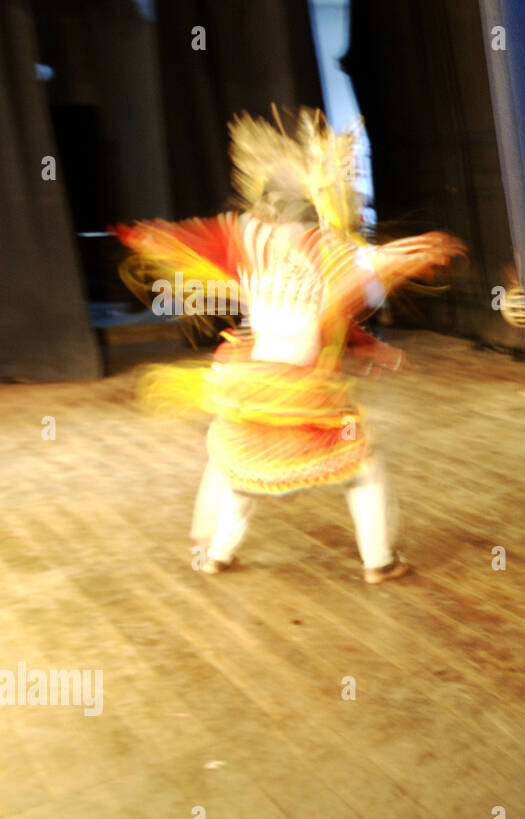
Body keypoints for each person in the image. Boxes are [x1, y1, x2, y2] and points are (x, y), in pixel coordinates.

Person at [112, 107, 463, 583]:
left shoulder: (243, 236)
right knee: (362, 467)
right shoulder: (329, 250)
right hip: (302, 392)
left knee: (234, 467)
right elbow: (345, 299)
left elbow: (185, 239)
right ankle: (379, 560)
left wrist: (145, 236)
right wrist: (410, 259)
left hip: (250, 384)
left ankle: (216, 553)